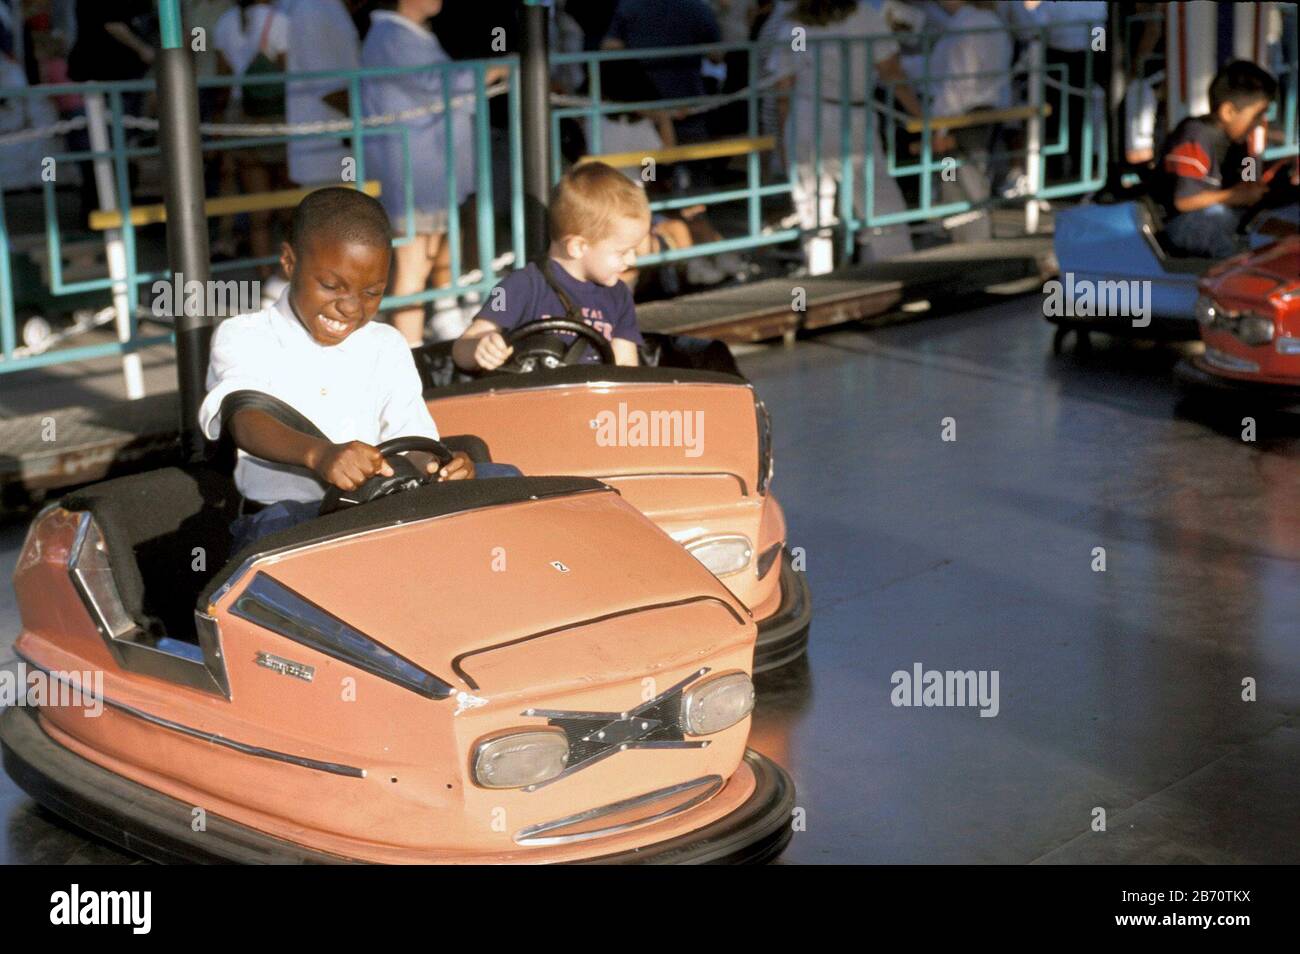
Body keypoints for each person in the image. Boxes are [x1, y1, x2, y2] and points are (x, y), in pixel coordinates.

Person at [199, 188, 518, 551]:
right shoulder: (245, 335)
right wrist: (319, 455)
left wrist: (440, 467)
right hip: (285, 518)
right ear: (289, 262)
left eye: (371, 293)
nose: (350, 308)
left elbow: (412, 436)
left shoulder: (386, 343)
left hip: (377, 506)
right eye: (332, 286)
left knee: (506, 481)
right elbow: (245, 417)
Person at [770, 0, 923, 273]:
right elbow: (890, 71)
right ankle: (900, 270)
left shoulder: (795, 26)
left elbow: (784, 87)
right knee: (879, 199)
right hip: (853, 116)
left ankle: (820, 277)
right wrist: (920, 116)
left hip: (806, 116)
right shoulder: (865, 17)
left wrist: (783, 139)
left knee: (812, 207)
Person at [361, 0, 482, 346]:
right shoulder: (392, 36)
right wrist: (489, 70)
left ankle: (425, 340)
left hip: (428, 170)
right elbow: (437, 84)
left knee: (428, 259)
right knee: (413, 269)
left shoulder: (402, 35)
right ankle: (409, 355)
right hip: (418, 173)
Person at [453, 162, 649, 373]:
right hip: (529, 397)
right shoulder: (516, 286)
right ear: (577, 247)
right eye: (622, 252)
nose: (632, 261)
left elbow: (626, 368)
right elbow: (463, 347)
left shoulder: (619, 296)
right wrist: (481, 347)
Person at [1154, 60, 1276, 259]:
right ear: (1229, 112)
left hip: (1220, 213)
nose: (1258, 124)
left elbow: (1248, 180)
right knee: (1218, 219)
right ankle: (1234, 277)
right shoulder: (1195, 136)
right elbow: (1183, 201)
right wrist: (1233, 196)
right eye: (1256, 116)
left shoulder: (1240, 142)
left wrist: (1258, 186)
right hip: (1180, 223)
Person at [213, 0, 291, 278]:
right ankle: (288, 274)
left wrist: (220, 119)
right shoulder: (281, 21)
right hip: (277, 116)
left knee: (258, 205)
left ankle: (264, 272)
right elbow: (287, 73)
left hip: (240, 116)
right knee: (287, 202)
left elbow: (221, 77)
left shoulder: (224, 23)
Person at [929, 0, 1012, 243]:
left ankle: (971, 244)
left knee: (958, 183)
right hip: (986, 111)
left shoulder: (966, 25)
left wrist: (941, 128)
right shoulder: (992, 22)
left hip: (960, 118)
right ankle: (973, 239)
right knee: (969, 181)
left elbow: (957, 82)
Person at [282, 0, 360, 188]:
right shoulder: (312, 9)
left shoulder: (323, 7)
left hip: (334, 153)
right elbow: (330, 88)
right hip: (327, 156)